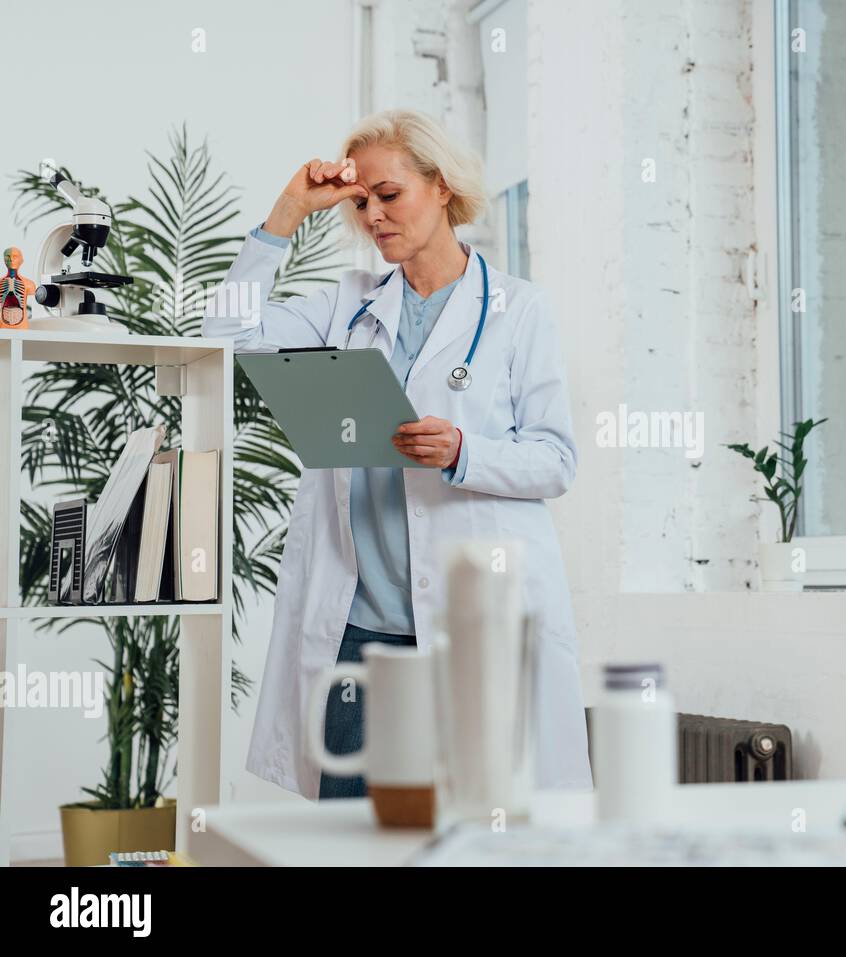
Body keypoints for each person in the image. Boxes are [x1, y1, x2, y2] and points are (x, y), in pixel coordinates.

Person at [201, 108, 592, 800]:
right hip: (359, 630)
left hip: (470, 627)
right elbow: (224, 331)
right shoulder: (345, 305)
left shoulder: (519, 310)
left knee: (475, 828)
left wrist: (464, 451)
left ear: (442, 188)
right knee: (353, 836)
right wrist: (286, 213)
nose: (374, 216)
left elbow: (555, 458)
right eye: (360, 202)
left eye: (390, 195)